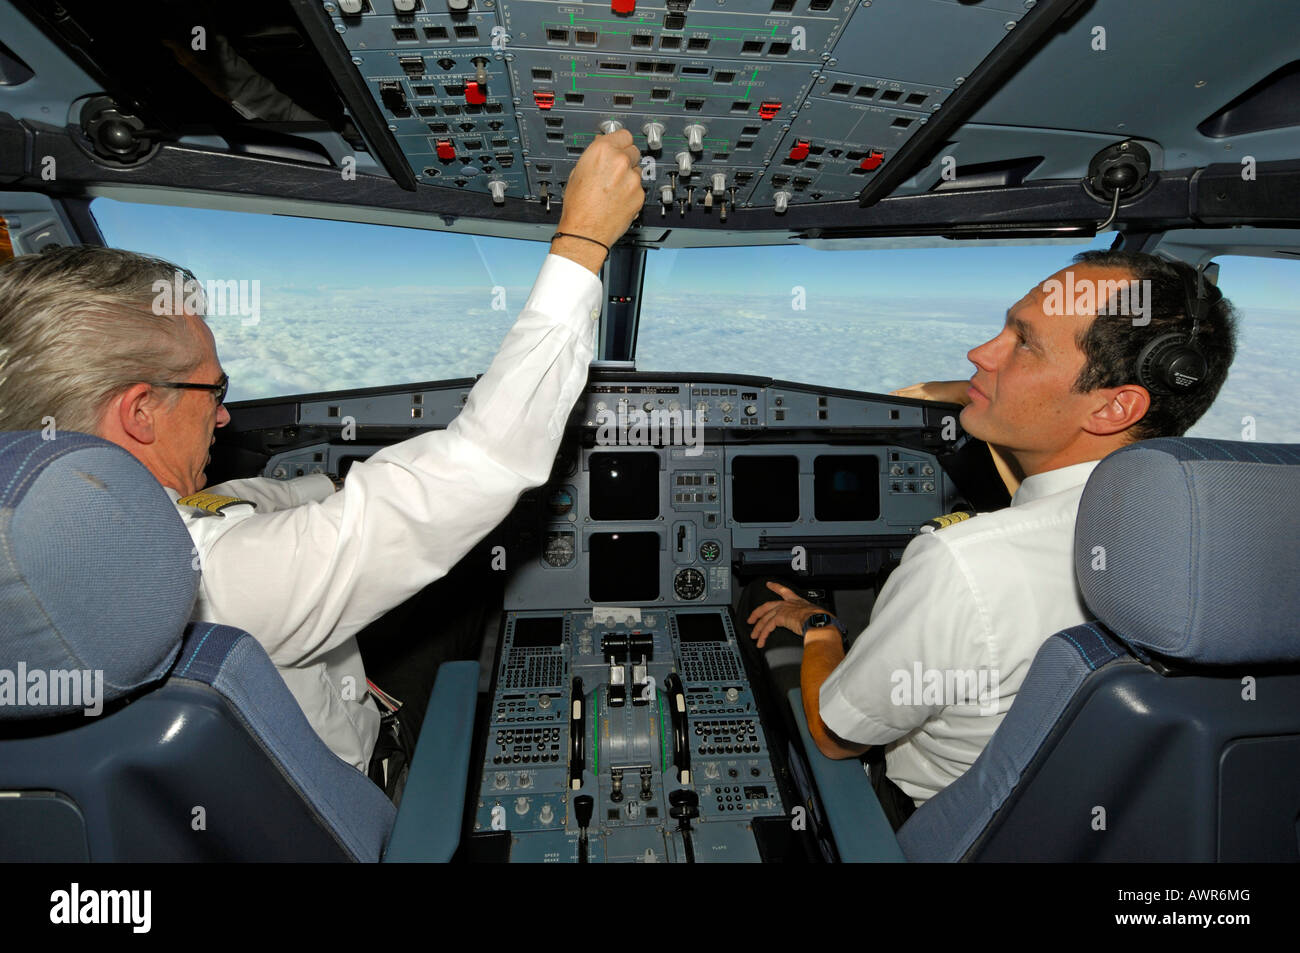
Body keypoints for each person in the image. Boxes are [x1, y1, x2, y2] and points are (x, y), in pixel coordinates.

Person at [0, 130, 646, 775]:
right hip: (370, 776)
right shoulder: (204, 580)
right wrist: (583, 243)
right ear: (140, 410)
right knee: (476, 591)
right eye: (212, 389)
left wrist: (333, 493)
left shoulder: (75, 554)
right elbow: (487, 461)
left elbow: (226, 506)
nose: (224, 414)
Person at [741, 251, 1237, 828]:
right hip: (1113, 825)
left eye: (1023, 343)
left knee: (758, 595)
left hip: (931, 821)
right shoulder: (1233, 531)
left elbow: (834, 736)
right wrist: (975, 397)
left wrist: (819, 627)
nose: (979, 353)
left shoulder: (965, 564)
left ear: (1114, 406)